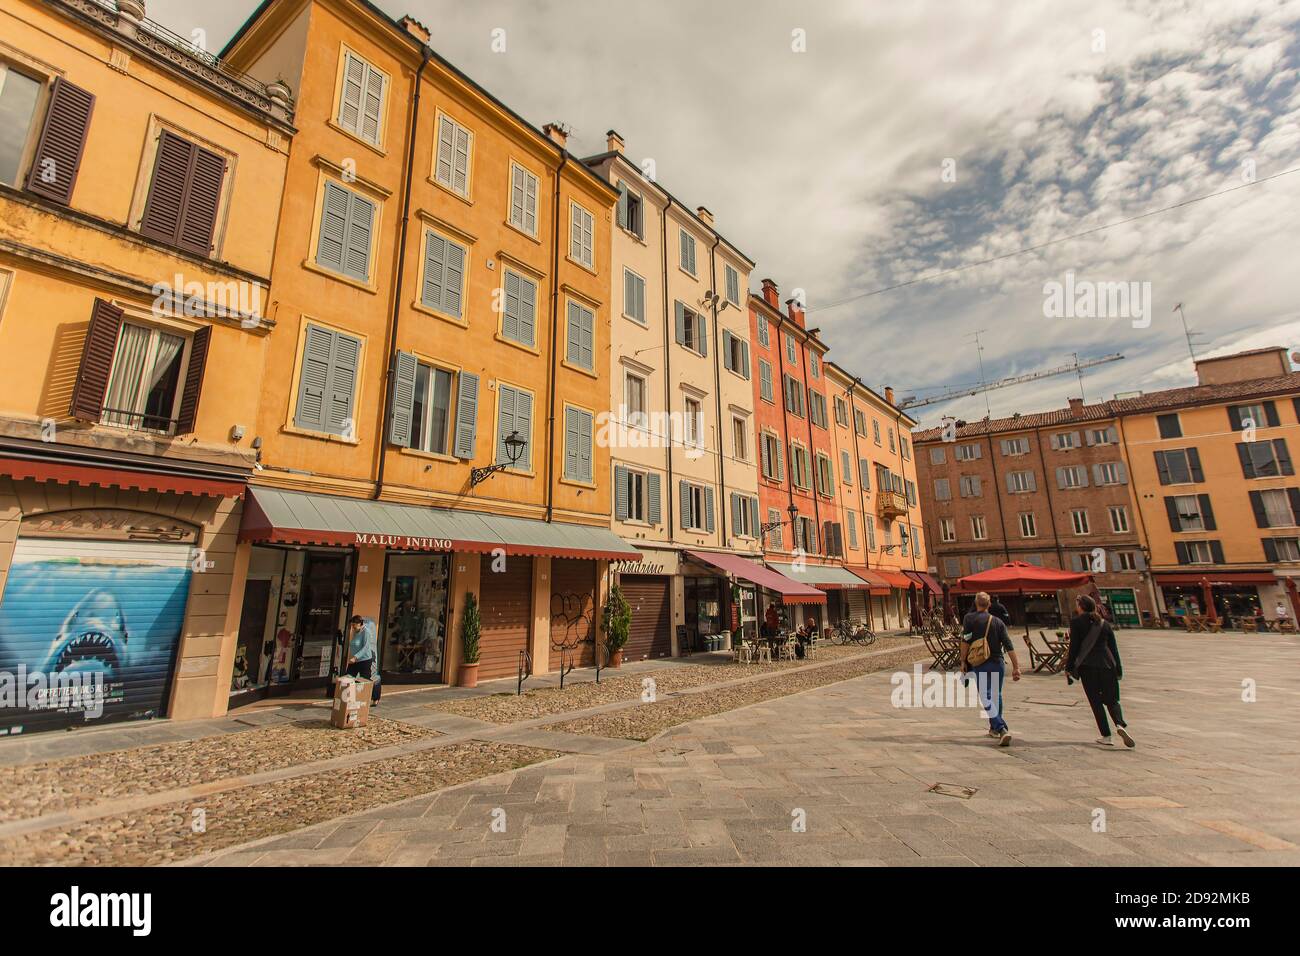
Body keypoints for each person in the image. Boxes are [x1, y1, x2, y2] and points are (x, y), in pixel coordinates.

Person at [1065, 594, 1132, 748]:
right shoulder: (1104, 623)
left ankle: (1106, 735)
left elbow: (1074, 647)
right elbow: (1113, 648)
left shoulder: (1076, 622)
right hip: (1108, 665)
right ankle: (1119, 724)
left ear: (1081, 606)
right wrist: (1119, 668)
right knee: (1112, 699)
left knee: (1095, 701)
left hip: (1088, 666)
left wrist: (1068, 667)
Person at [960, 592, 1021, 746]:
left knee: (986, 696)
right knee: (996, 694)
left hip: (980, 663)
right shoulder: (998, 622)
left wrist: (962, 661)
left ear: (976, 603)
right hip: (997, 662)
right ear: (989, 605)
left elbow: (965, 641)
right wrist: (1016, 667)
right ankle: (994, 728)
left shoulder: (969, 619)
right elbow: (1008, 645)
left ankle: (1001, 728)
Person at [345, 615, 381, 704]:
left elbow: (365, 647)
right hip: (354, 661)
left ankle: (375, 697)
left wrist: (355, 657)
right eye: (351, 625)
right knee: (348, 678)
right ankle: (347, 700)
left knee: (365, 681)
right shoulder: (355, 632)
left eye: (354, 625)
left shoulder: (366, 632)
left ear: (359, 624)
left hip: (364, 660)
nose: (352, 627)